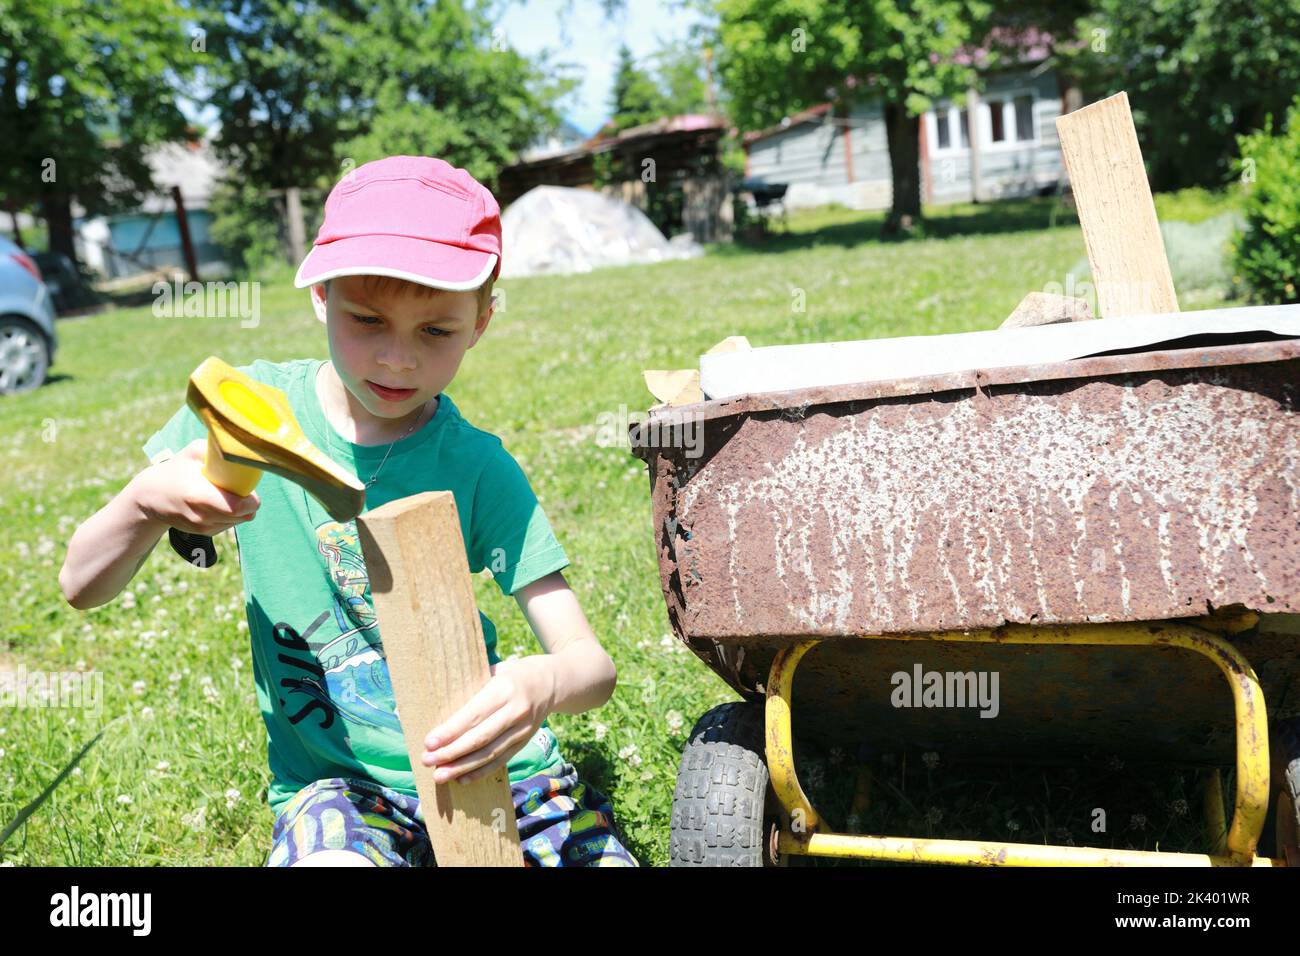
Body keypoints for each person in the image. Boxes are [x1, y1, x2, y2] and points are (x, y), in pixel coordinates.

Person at [59, 155, 638, 867]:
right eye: (368, 319)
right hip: (341, 790)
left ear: (481, 322)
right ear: (320, 296)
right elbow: (81, 587)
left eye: (436, 331)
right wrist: (143, 504)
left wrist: (541, 685)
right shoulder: (251, 416)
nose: (397, 360)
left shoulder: (479, 467)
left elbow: (592, 666)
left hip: (501, 774)